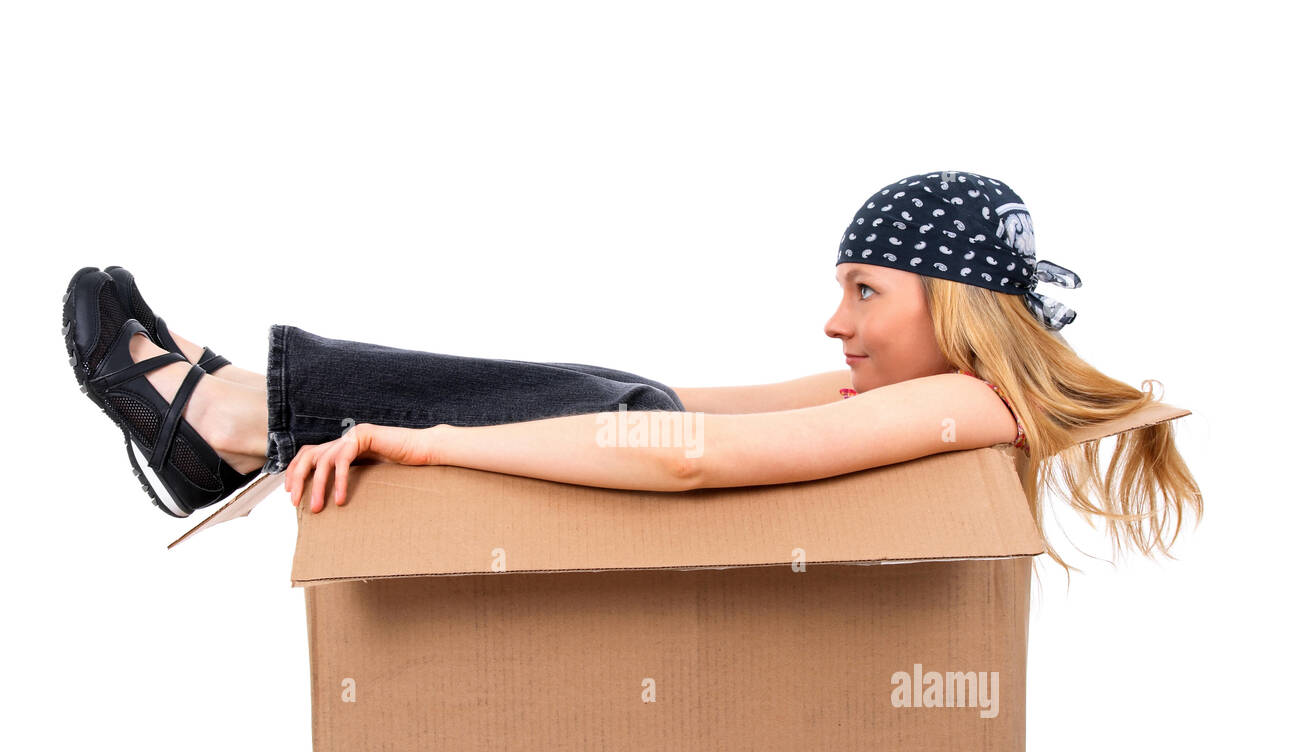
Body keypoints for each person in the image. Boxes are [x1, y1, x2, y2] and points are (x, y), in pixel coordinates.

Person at [61, 169, 1201, 573]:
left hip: (666, 497)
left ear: (949, 303)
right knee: (624, 383)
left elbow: (697, 457)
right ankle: (245, 408)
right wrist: (618, 393)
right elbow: (708, 404)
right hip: (661, 436)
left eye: (864, 290)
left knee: (622, 408)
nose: (832, 320)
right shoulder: (930, 394)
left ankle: (218, 420)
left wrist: (427, 437)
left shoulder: (964, 399)